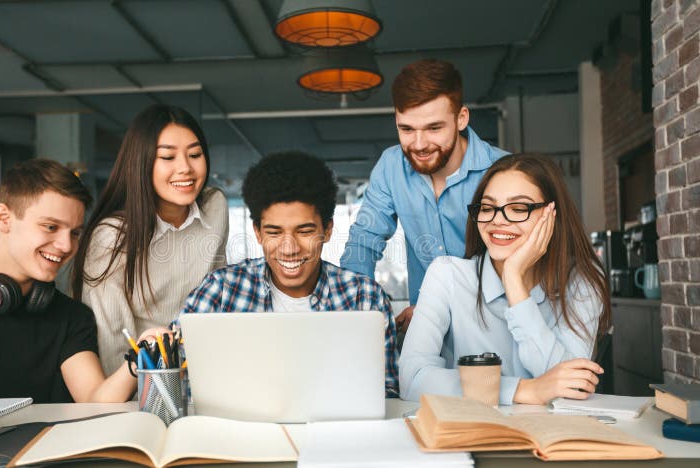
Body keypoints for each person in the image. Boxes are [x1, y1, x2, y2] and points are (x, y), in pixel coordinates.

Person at [0, 159, 159, 405]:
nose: (66, 245)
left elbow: (94, 399)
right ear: (3, 218)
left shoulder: (71, 318)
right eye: (50, 227)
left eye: (75, 232)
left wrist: (138, 361)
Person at [180, 151, 399, 397]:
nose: (289, 249)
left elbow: (386, 392)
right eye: (274, 233)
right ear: (258, 232)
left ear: (327, 230)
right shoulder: (221, 290)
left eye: (304, 231)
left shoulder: (364, 298)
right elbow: (175, 377)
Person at [398, 154, 611, 405]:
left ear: (552, 215)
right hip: (470, 433)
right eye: (487, 208)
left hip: (551, 437)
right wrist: (523, 390)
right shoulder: (447, 276)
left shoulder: (581, 282)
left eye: (519, 209)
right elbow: (412, 379)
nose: (497, 220)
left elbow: (570, 388)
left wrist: (514, 281)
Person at [340, 59, 508, 332]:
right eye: (406, 129)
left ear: (461, 118)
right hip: (428, 335)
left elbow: (520, 266)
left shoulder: (504, 171)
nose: (419, 145)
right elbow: (363, 242)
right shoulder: (391, 166)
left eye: (434, 128)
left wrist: (441, 308)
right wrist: (359, 311)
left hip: (496, 330)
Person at [71, 105, 228, 375]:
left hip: (207, 372)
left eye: (195, 154)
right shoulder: (111, 236)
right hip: (144, 381)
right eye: (167, 157)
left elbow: (217, 295)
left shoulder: (215, 207)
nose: (185, 168)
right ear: (141, 163)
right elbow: (112, 342)